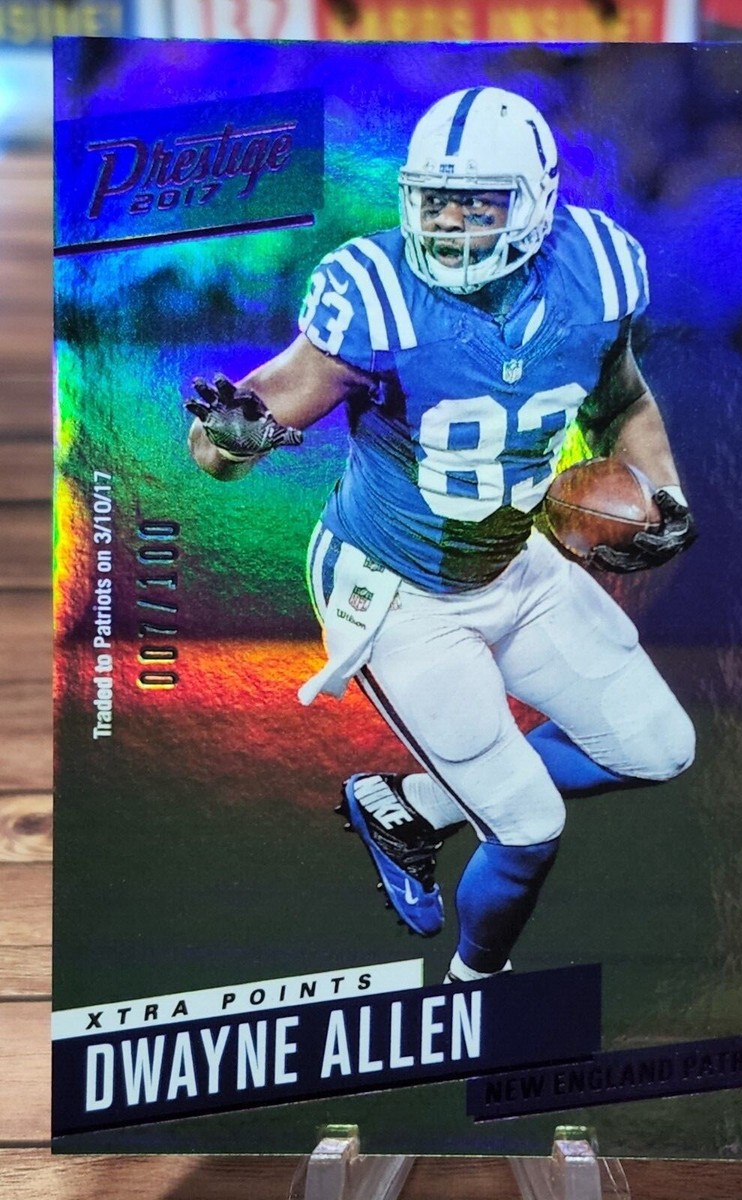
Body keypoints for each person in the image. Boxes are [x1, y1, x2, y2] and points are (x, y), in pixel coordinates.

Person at [187, 86, 696, 983]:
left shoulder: (599, 269)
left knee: (659, 750)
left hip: (514, 558)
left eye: (480, 203)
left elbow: (621, 399)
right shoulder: (375, 294)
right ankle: (474, 991)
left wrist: (663, 494)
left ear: (538, 201)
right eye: (435, 201)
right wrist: (231, 438)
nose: (452, 223)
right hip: (398, 588)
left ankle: (411, 805)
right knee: (530, 830)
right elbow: (223, 445)